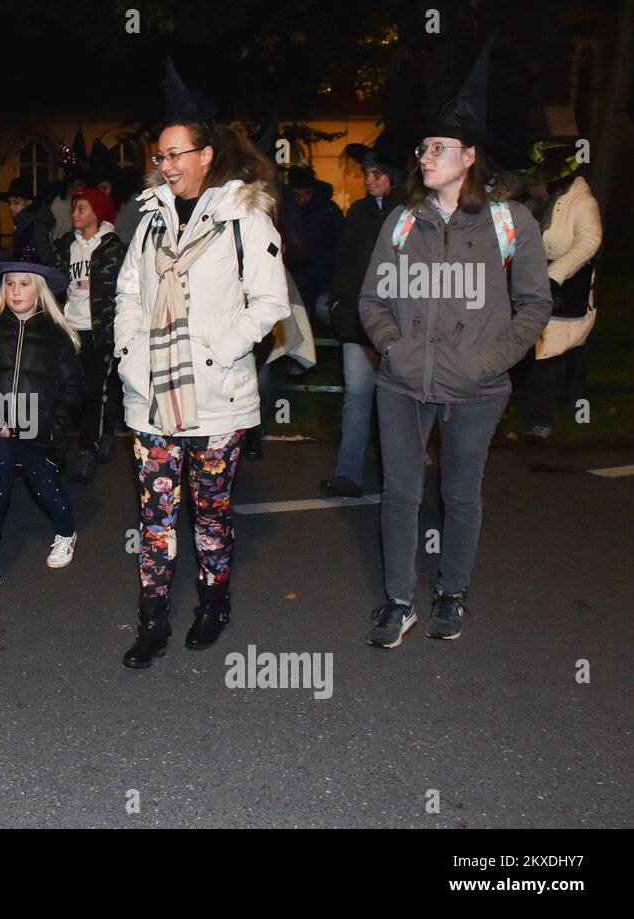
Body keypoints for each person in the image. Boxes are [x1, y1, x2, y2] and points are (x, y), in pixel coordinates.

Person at [357, 41, 553, 648]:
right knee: (400, 493)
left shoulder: (509, 221)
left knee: (460, 492)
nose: (425, 156)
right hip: (403, 381)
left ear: (469, 157)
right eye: (423, 148)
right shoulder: (402, 221)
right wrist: (393, 349)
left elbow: (535, 306)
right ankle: (397, 601)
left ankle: (451, 593)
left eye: (439, 147)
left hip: (477, 387)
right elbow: (371, 300)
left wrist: (489, 361)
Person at [114, 60, 290, 668]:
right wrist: (130, 356)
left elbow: (271, 301)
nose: (164, 165)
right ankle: (152, 620)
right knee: (156, 519)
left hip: (218, 401)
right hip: (152, 397)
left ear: (206, 155)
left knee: (210, 513)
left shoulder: (245, 216)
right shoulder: (149, 217)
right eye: (159, 156)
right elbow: (128, 293)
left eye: (174, 154)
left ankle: (214, 606)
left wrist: (220, 349)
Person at [0, 249, 84, 609]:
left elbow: (74, 388)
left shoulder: (58, 335)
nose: (16, 291)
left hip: (40, 432)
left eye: (24, 284)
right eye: (10, 283)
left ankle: (66, 532)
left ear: (40, 289)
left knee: (47, 491)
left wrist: (55, 426)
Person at [320, 133, 407, 497]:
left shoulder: (413, 215)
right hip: (358, 321)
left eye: (376, 173)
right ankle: (348, 473)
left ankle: (401, 478)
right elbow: (344, 264)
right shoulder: (357, 212)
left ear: (393, 175)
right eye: (366, 173)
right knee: (357, 397)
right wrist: (341, 306)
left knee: (399, 403)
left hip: (399, 328)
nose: (368, 179)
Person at [516, 140, 602, 444]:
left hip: (561, 287)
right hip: (530, 279)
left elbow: (588, 242)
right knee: (522, 350)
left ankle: (541, 421)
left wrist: (555, 275)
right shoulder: (541, 196)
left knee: (543, 354)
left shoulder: (582, 201)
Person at [53, 186, 125, 481]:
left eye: (82, 208)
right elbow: (55, 284)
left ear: (97, 212)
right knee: (69, 390)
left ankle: (86, 450)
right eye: (74, 208)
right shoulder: (64, 245)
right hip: (69, 329)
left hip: (100, 331)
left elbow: (125, 290)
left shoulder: (113, 247)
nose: (75, 214)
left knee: (95, 390)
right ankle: (101, 431)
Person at [281, 164, 345, 324]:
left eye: (306, 193)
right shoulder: (284, 210)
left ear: (314, 190)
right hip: (294, 281)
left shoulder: (329, 212)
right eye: (297, 194)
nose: (301, 198)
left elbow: (340, 250)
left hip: (321, 281)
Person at [0, 176, 56, 266]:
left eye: (16, 203)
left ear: (29, 202)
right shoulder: (24, 223)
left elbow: (45, 257)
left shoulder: (35, 224)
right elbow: (15, 251)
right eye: (10, 203)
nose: (11, 207)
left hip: (31, 276)